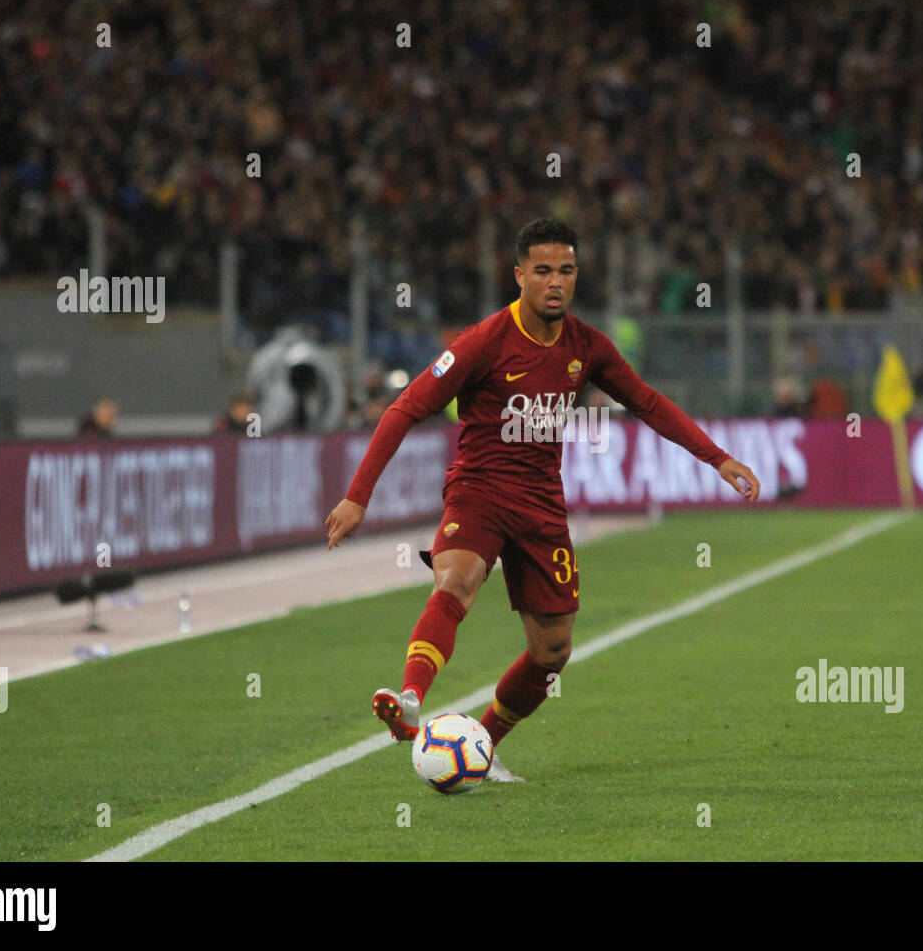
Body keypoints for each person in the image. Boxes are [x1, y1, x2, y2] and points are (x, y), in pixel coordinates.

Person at [324, 218, 761, 782]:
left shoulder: (588, 347)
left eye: (567, 270)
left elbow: (649, 403)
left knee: (552, 652)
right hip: (478, 491)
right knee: (455, 580)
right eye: (544, 271)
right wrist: (358, 497)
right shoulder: (482, 341)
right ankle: (410, 697)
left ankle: (485, 739)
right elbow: (404, 408)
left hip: (541, 507)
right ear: (519, 276)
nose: (556, 281)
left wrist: (718, 458)